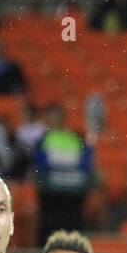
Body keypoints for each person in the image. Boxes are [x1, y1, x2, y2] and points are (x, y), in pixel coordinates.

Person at [33, 104, 97, 243]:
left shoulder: (74, 139)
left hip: (72, 195)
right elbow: (40, 162)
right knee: (49, 232)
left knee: (71, 233)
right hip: (51, 195)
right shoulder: (42, 139)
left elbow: (85, 162)